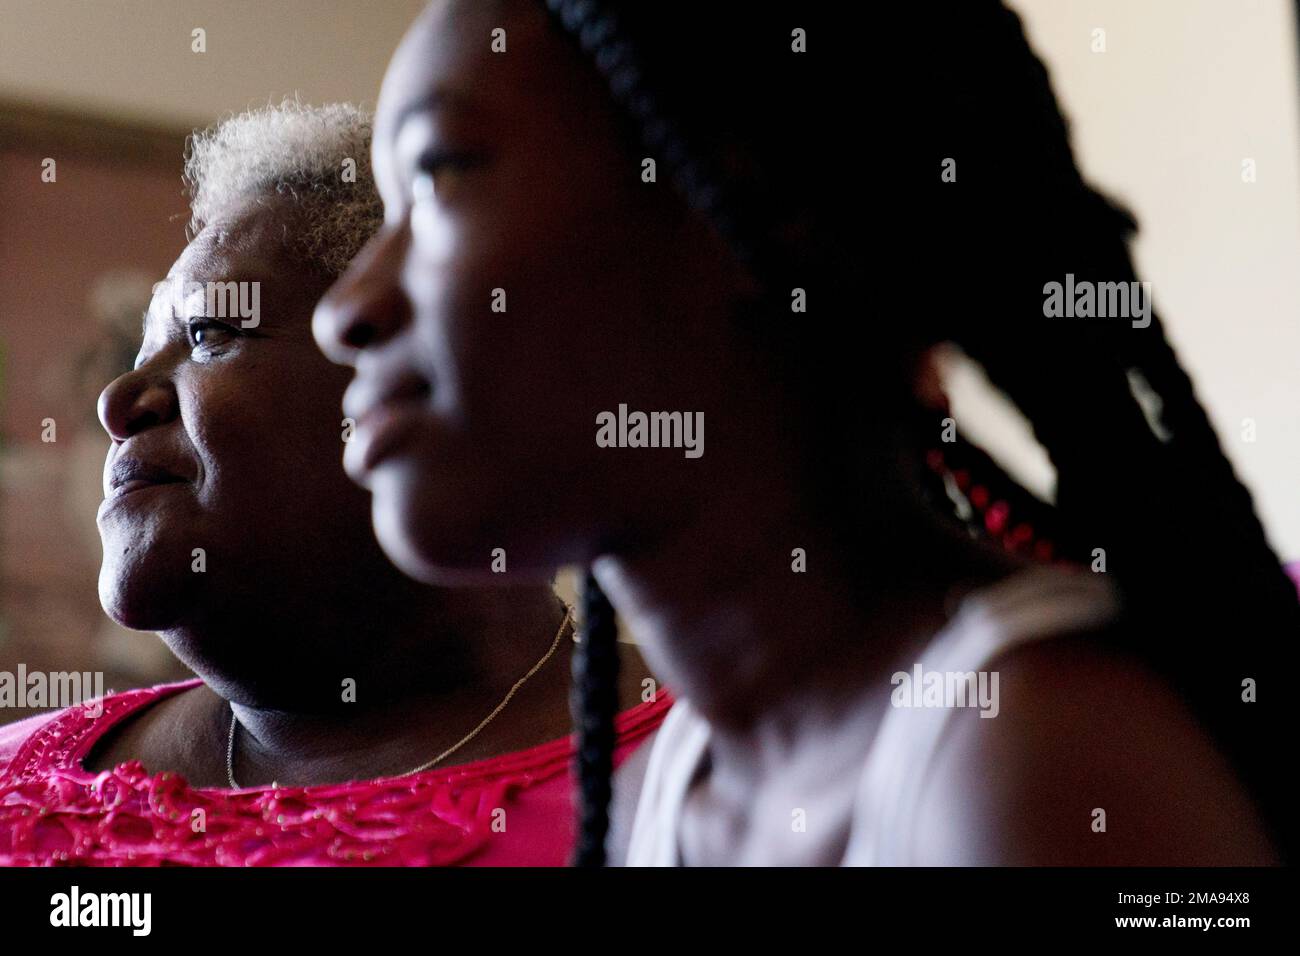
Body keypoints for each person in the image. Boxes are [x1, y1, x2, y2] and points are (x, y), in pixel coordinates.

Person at [313, 1, 1296, 865]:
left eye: (439, 175)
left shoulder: (1032, 758)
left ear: (745, 207)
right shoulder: (664, 791)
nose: (344, 311)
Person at [0, 101, 667, 867]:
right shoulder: (14, 786)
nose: (118, 401)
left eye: (210, 333)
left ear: (427, 376)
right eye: (144, 348)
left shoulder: (720, 771)